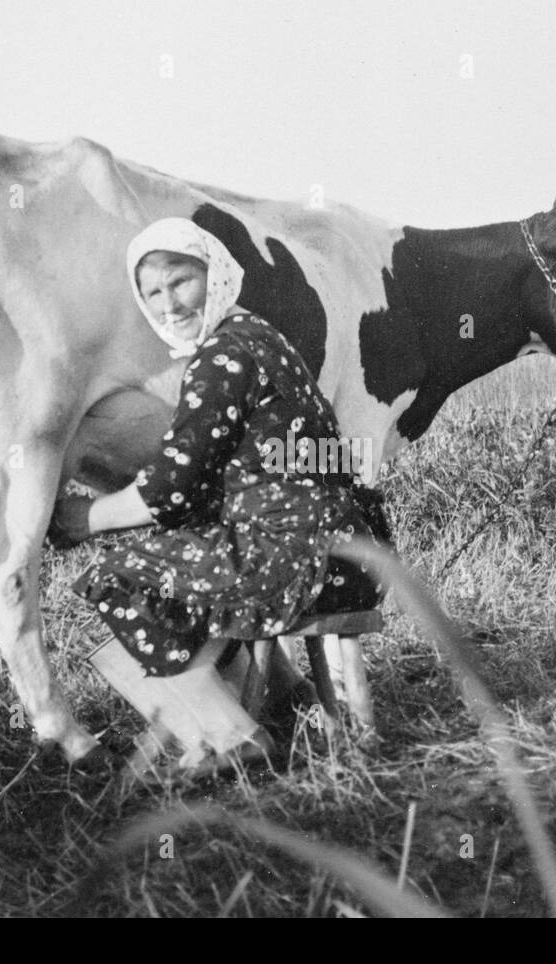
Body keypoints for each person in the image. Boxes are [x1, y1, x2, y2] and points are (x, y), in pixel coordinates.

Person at [62, 217, 383, 777]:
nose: (169, 305)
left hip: (290, 557)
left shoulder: (221, 358)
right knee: (182, 558)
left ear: (217, 274)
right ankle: (282, 701)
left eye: (180, 281)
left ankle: (232, 736)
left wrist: (83, 517)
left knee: (115, 573)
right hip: (346, 546)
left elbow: (168, 489)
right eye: (152, 292)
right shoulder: (262, 336)